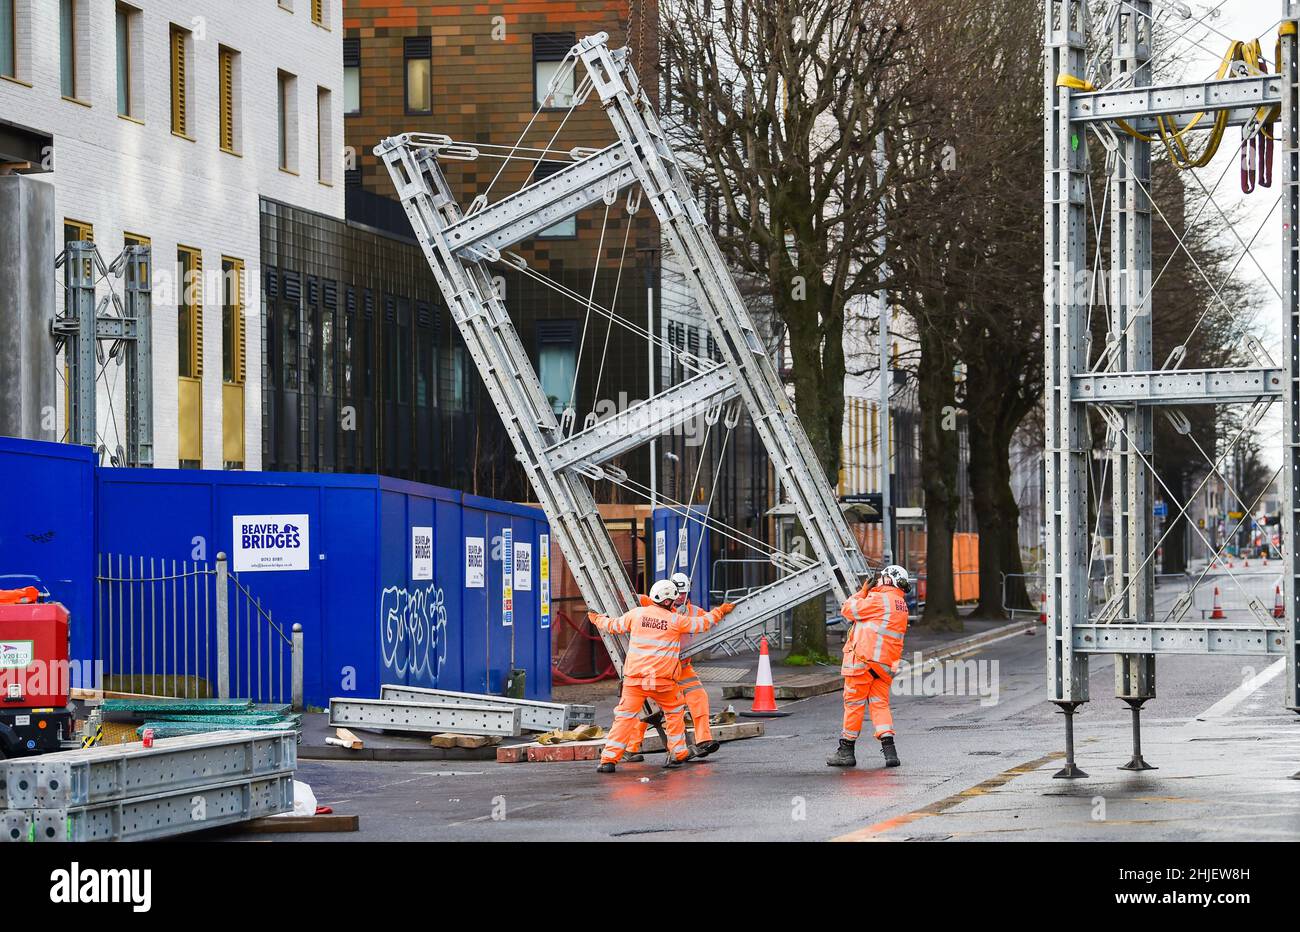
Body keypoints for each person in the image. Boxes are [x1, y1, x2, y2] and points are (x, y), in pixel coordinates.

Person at [588, 579, 734, 773]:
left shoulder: (637, 614)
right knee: (674, 713)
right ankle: (678, 753)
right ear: (669, 602)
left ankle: (608, 760)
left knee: (623, 719)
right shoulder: (675, 620)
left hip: (635, 682)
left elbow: (613, 626)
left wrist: (596, 618)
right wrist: (721, 610)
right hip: (663, 682)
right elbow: (703, 624)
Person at [623, 571, 720, 761]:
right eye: (678, 592)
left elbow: (708, 621)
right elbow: (634, 599)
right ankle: (631, 747)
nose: (680, 597)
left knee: (698, 697)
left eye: (684, 593)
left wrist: (722, 611)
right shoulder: (653, 607)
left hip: (681, 668)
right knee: (648, 708)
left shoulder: (694, 612)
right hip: (659, 669)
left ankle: (704, 740)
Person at [827, 565, 911, 769]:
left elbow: (848, 609)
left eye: (882, 577)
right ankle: (890, 751)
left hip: (862, 663)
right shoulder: (901, 603)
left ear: (888, 579)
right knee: (880, 705)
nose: (878, 580)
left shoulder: (878, 599)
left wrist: (863, 590)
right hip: (884, 667)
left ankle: (846, 751)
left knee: (854, 705)